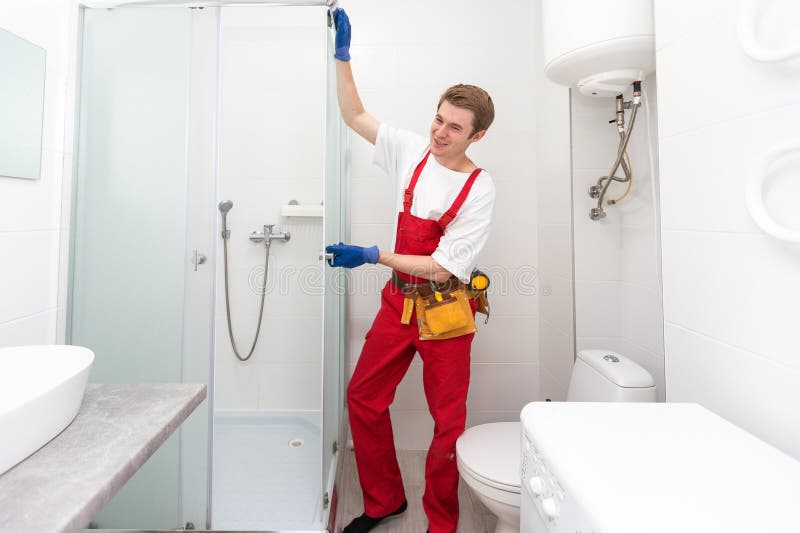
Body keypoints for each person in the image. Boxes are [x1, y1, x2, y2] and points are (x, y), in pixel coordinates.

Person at [325, 8, 495, 533]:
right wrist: (343, 57)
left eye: (455, 127)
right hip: (397, 303)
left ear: (477, 136)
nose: (441, 132)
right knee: (363, 397)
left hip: (446, 311)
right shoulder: (412, 151)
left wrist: (373, 255)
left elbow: (443, 269)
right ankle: (383, 502)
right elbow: (355, 117)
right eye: (439, 118)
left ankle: (440, 524)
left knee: (448, 424)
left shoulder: (479, 188)